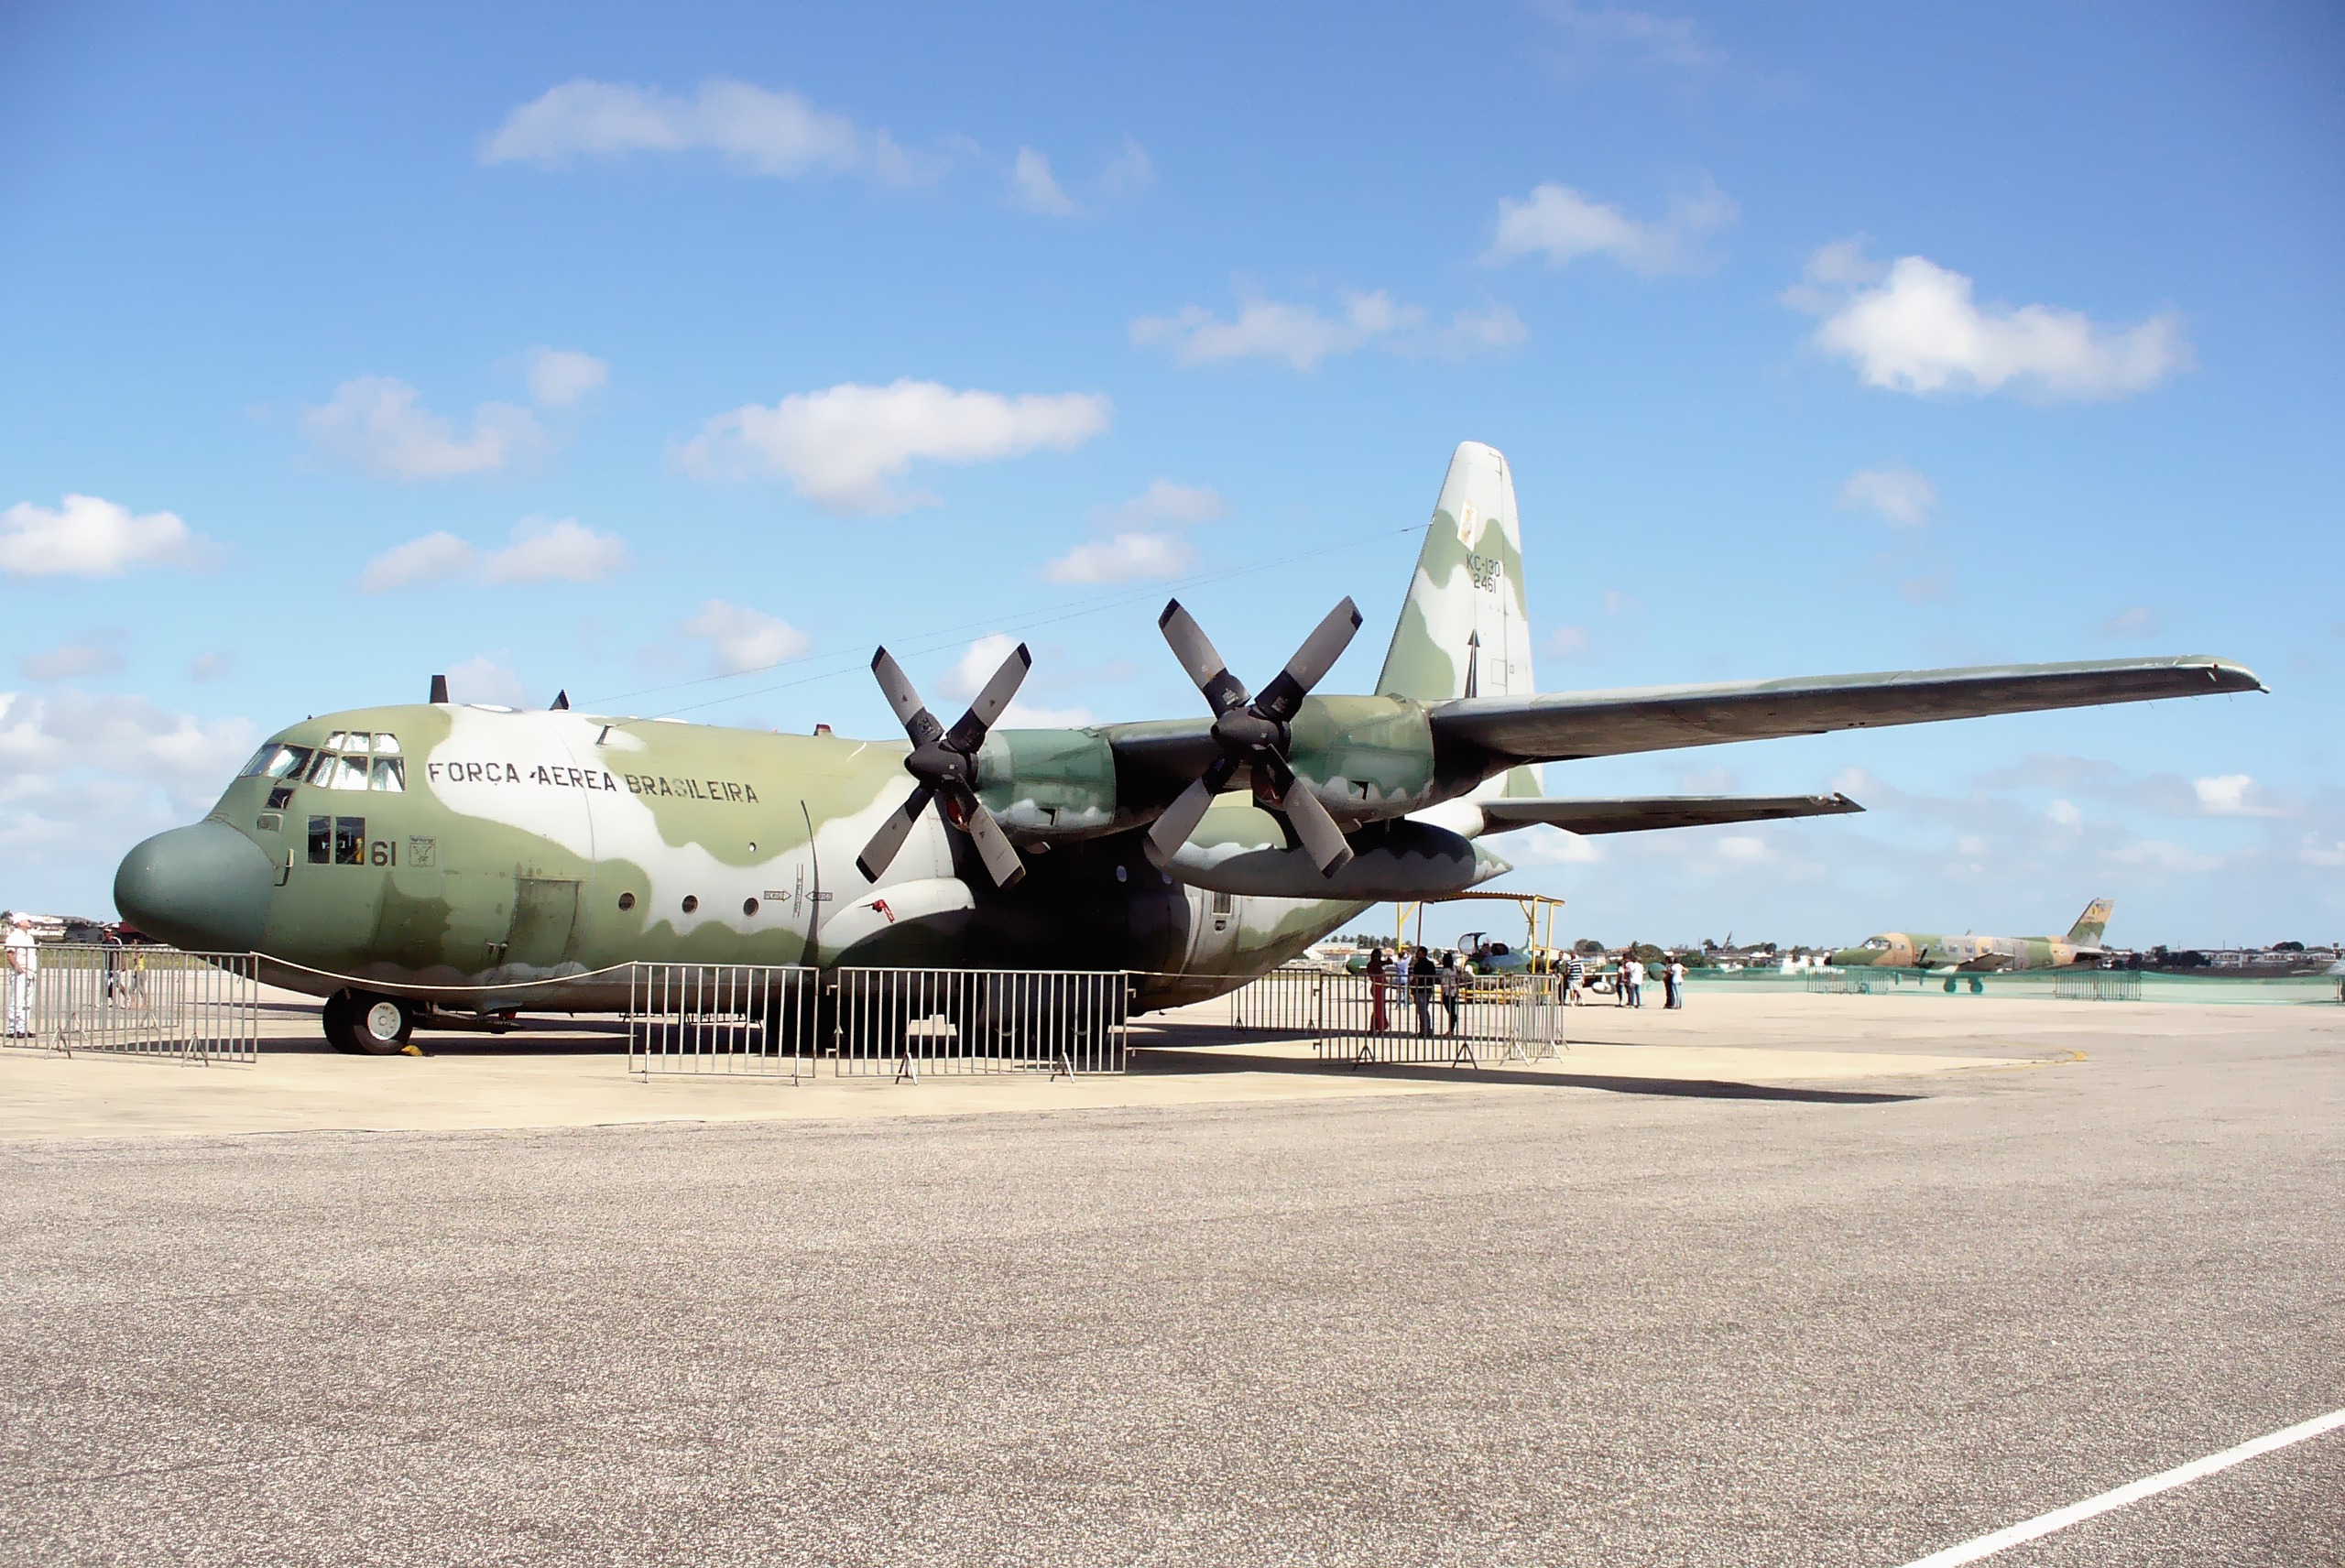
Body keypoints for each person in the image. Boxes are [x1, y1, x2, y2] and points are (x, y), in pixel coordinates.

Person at [5, 911, 38, 1039]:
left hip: (30, 971)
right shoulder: (14, 936)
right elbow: (10, 954)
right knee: (17, 1001)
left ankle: (22, 1028)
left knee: (26, 1002)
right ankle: (13, 1028)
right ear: (20, 922)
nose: (29, 922)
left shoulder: (29, 937)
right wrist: (18, 968)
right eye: (27, 920)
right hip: (21, 972)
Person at [1409, 945, 1436, 1036]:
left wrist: (1413, 987)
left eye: (1418, 952)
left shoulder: (1419, 964)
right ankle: (1427, 1029)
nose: (1417, 954)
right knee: (1424, 1010)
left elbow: (1416, 978)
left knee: (1422, 1011)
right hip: (1428, 989)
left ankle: (1424, 1030)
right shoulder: (1430, 964)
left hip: (1421, 990)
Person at [1437, 951, 1463, 1035]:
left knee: (1450, 1011)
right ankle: (1452, 1027)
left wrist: (1441, 994)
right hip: (1453, 991)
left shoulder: (1445, 971)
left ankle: (1451, 1027)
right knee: (1451, 1010)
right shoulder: (1454, 969)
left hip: (1447, 992)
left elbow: (1443, 983)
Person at [1365, 946, 1390, 1033]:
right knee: (1379, 1008)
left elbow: (1388, 962)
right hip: (1378, 987)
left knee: (1378, 1008)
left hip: (1379, 987)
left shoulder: (1376, 963)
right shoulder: (1374, 964)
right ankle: (1380, 1026)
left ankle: (1375, 1026)